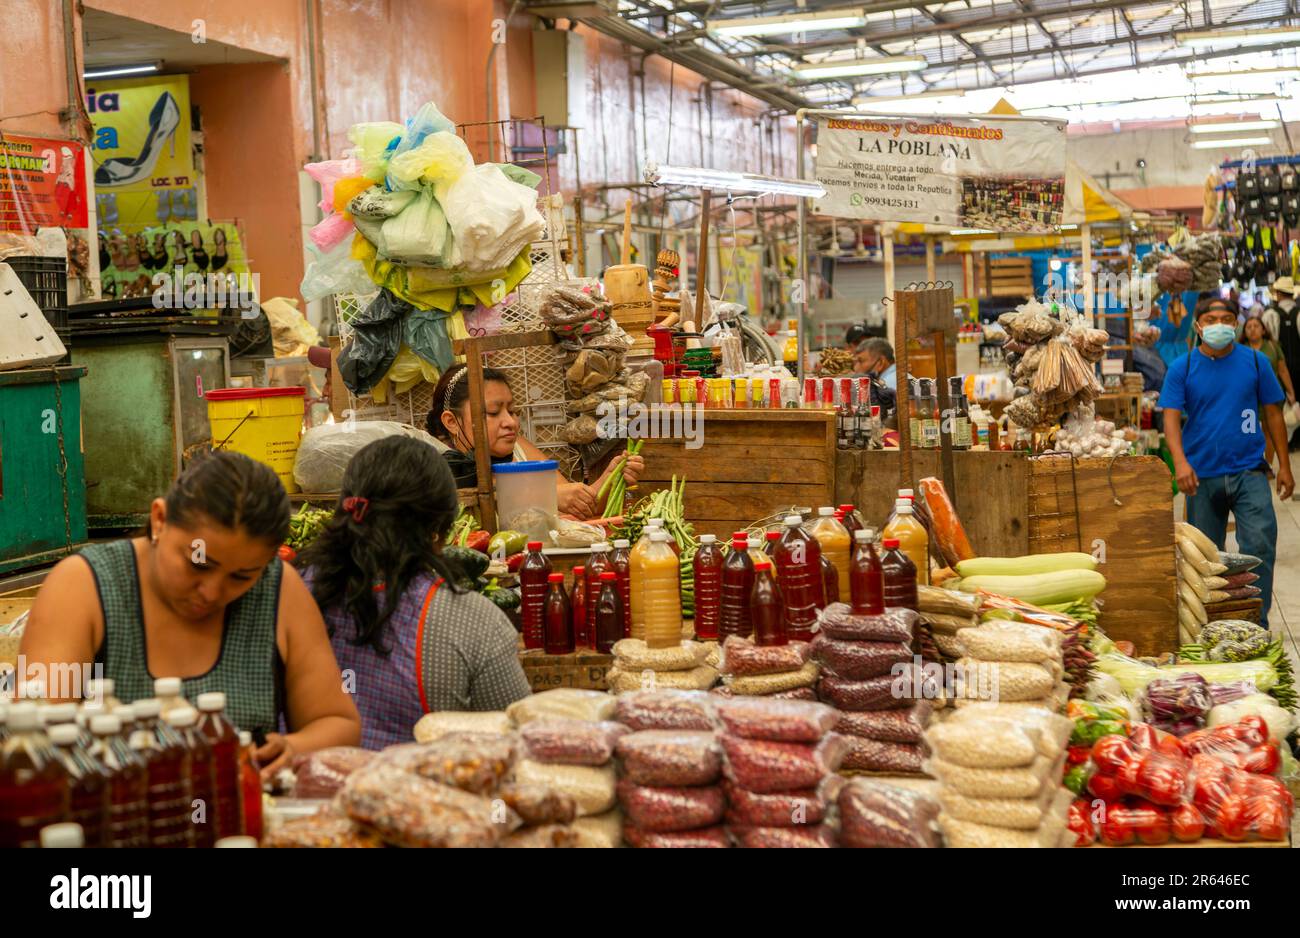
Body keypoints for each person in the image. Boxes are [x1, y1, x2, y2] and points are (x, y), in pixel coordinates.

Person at [20, 451, 362, 776]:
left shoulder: (278, 589)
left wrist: (292, 747)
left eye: (241, 576)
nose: (212, 592)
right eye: (198, 563)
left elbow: (337, 723)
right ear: (159, 520)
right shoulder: (84, 586)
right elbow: (34, 731)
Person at [1160, 296, 1294, 627]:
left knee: (1260, 547)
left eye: (1226, 319)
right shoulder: (1184, 367)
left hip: (1249, 471)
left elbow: (1274, 414)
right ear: (1198, 325)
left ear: (1235, 324)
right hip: (1201, 477)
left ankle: (1255, 622)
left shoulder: (1255, 362)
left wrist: (1285, 467)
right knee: (1205, 559)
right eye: (1211, 319)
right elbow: (1171, 419)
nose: (1218, 325)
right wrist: (1180, 463)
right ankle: (1213, 626)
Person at [426, 362, 643, 519]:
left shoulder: (519, 448)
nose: (510, 422)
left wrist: (611, 477)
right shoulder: (440, 468)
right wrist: (549, 497)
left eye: (512, 411)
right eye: (493, 413)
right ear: (451, 422)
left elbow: (581, 505)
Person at [1241, 316, 1297, 473]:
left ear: (1263, 329)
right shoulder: (1240, 349)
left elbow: (1282, 369)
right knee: (1248, 430)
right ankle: (1251, 463)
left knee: (1269, 431)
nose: (1252, 329)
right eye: (1249, 327)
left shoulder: (1272, 346)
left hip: (1269, 395)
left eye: (1256, 326)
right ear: (1244, 332)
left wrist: (1291, 392)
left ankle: (1268, 465)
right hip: (1248, 396)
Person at [1262, 277, 1300, 450]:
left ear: (1277, 294)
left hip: (1280, 366)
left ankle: (1286, 441)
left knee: (1281, 404)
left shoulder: (1270, 314)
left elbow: (1269, 342)